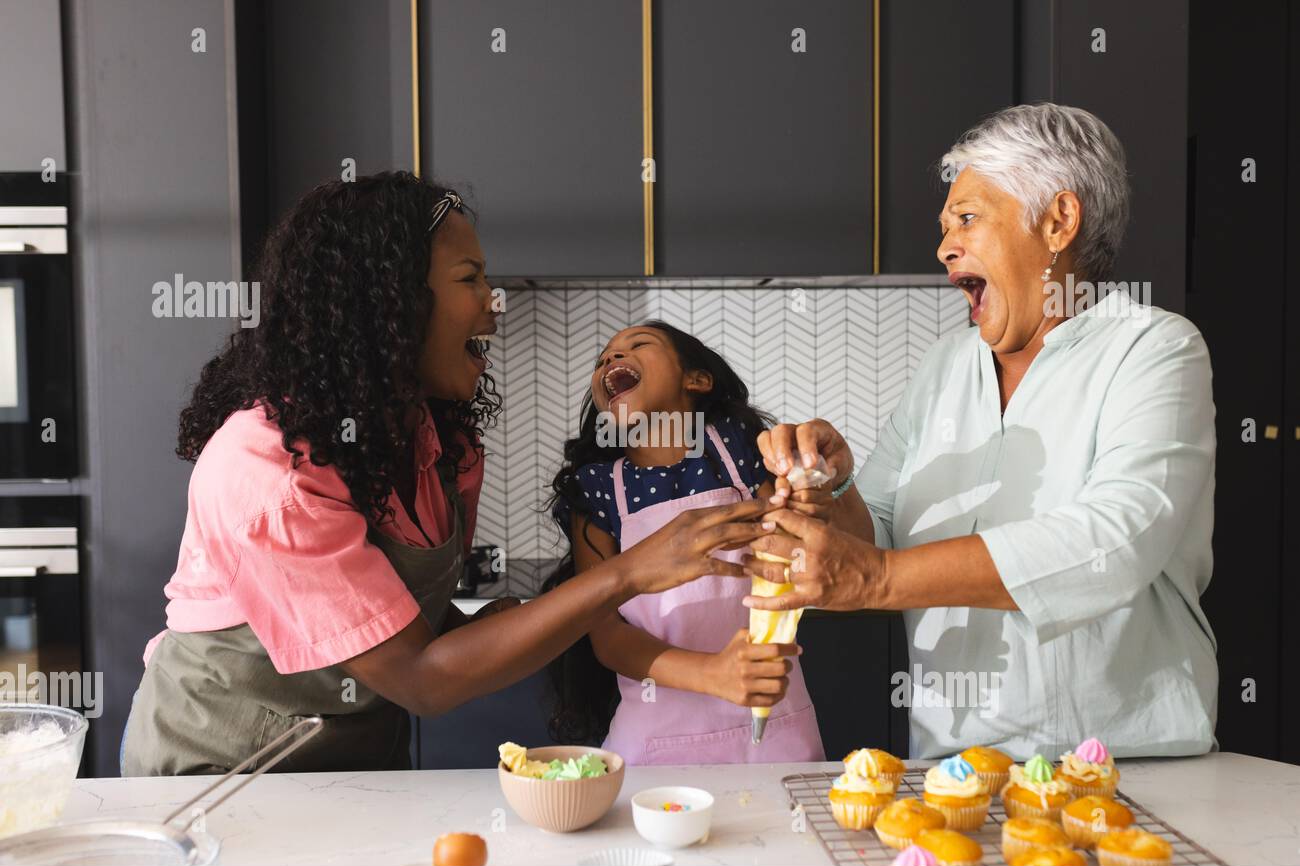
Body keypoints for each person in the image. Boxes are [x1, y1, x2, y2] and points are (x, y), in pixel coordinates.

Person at [120, 173, 770, 775]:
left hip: (359, 761)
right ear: (389, 300)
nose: (495, 305)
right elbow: (421, 676)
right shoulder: (266, 471)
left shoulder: (444, 445)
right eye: (470, 279)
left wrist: (531, 617)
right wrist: (626, 573)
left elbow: (405, 629)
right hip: (215, 772)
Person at [748, 104, 1218, 760]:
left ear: (1058, 221)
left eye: (967, 218)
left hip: (1128, 766)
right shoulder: (944, 367)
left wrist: (879, 574)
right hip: (958, 770)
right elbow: (876, 529)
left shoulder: (1154, 348)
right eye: (945, 227)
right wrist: (832, 492)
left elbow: (1116, 540)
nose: (943, 245)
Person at [545, 322, 824, 764]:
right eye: (603, 360)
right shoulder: (597, 490)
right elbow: (610, 638)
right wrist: (712, 674)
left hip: (774, 725)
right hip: (656, 738)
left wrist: (809, 488)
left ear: (696, 379)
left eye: (637, 346)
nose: (612, 360)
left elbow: (797, 545)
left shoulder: (740, 450)